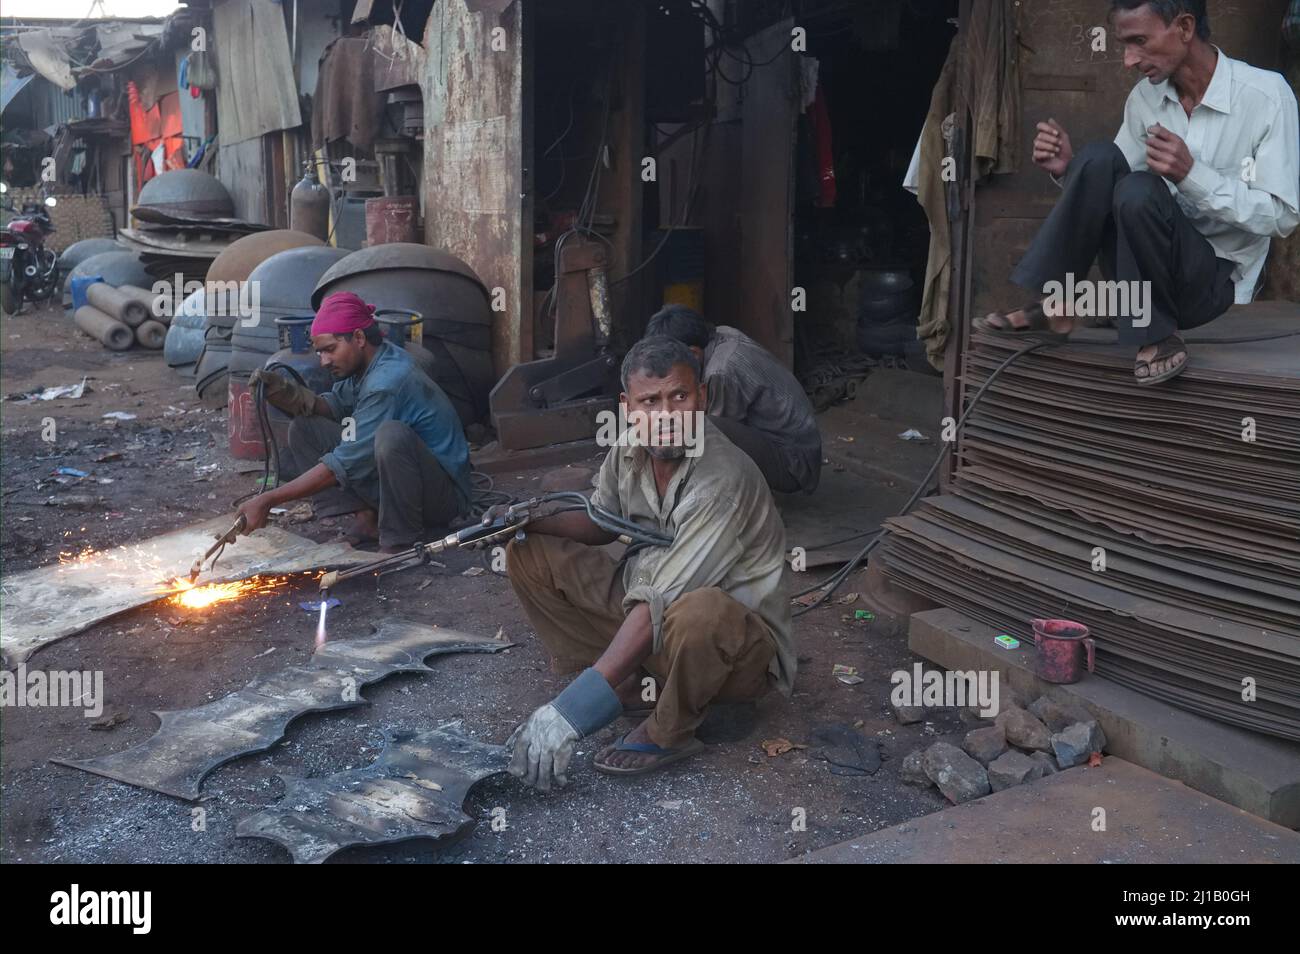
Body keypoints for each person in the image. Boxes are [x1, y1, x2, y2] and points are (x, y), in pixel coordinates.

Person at [503, 336, 794, 790]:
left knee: (704, 610)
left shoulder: (723, 478)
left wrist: (570, 713)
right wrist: (530, 518)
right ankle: (624, 681)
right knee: (528, 551)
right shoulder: (629, 448)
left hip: (732, 653)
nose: (666, 416)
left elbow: (663, 598)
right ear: (627, 406)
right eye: (650, 401)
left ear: (703, 397)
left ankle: (669, 731)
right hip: (657, 620)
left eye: (680, 396)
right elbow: (603, 520)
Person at [975, 0, 1298, 385]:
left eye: (1139, 41)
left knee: (1140, 189)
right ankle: (1058, 302)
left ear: (1184, 27)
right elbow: (1112, 184)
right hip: (1141, 281)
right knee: (1098, 158)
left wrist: (1192, 175)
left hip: (1213, 284)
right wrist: (1070, 169)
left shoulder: (1265, 96)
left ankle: (1157, 336)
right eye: (1124, 44)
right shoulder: (1145, 99)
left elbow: (1281, 217)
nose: (1129, 60)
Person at [237, 291, 473, 551]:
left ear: (359, 338)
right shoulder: (369, 361)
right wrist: (288, 395)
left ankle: (400, 540)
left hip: (443, 498)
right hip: (404, 481)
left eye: (330, 350)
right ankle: (367, 521)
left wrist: (268, 499)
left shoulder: (387, 381)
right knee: (305, 428)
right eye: (320, 352)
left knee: (391, 436)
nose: (324, 361)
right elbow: (336, 406)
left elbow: (345, 462)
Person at [644, 304, 821, 493]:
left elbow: (710, 441)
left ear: (693, 353)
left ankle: (740, 503)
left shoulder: (721, 372)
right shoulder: (720, 334)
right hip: (789, 449)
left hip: (793, 465)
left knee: (703, 428)